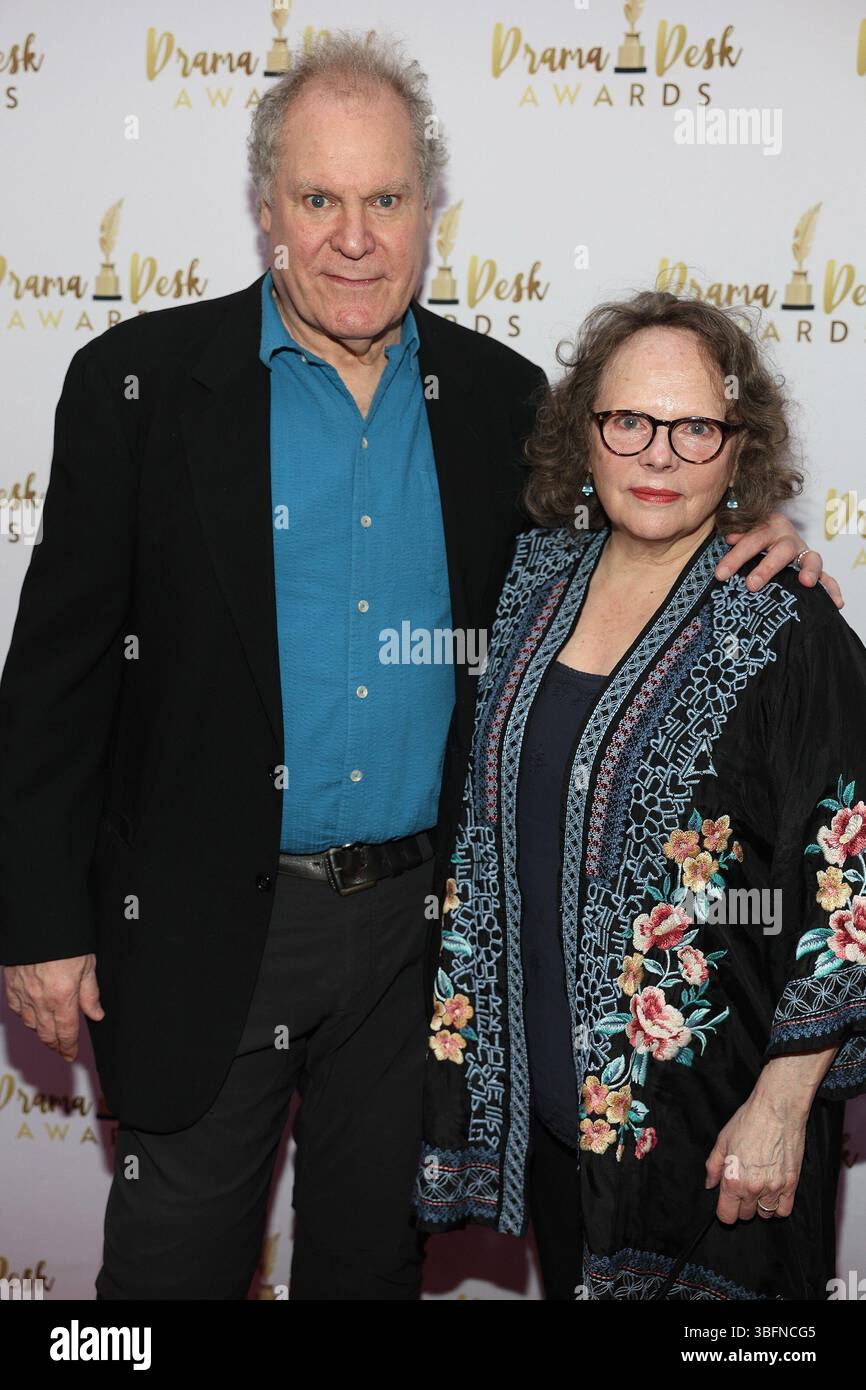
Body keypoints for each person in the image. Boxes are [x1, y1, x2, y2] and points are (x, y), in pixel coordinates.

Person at [0, 32, 834, 1302]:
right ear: (264, 208)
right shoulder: (137, 386)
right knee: (166, 1275)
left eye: (384, 198)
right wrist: (43, 923)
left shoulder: (502, 406)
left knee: (369, 1265)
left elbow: (637, 521)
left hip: (419, 942)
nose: (352, 235)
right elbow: (54, 679)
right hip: (202, 925)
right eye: (318, 200)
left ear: (427, 209)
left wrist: (754, 532)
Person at [414, 289, 866, 1301]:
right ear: (585, 432)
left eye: (694, 426)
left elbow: (852, 880)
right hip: (555, 1125)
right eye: (628, 421)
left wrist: (783, 1104)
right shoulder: (527, 581)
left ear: (737, 446)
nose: (657, 454)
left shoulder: (782, 623)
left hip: (721, 1140)